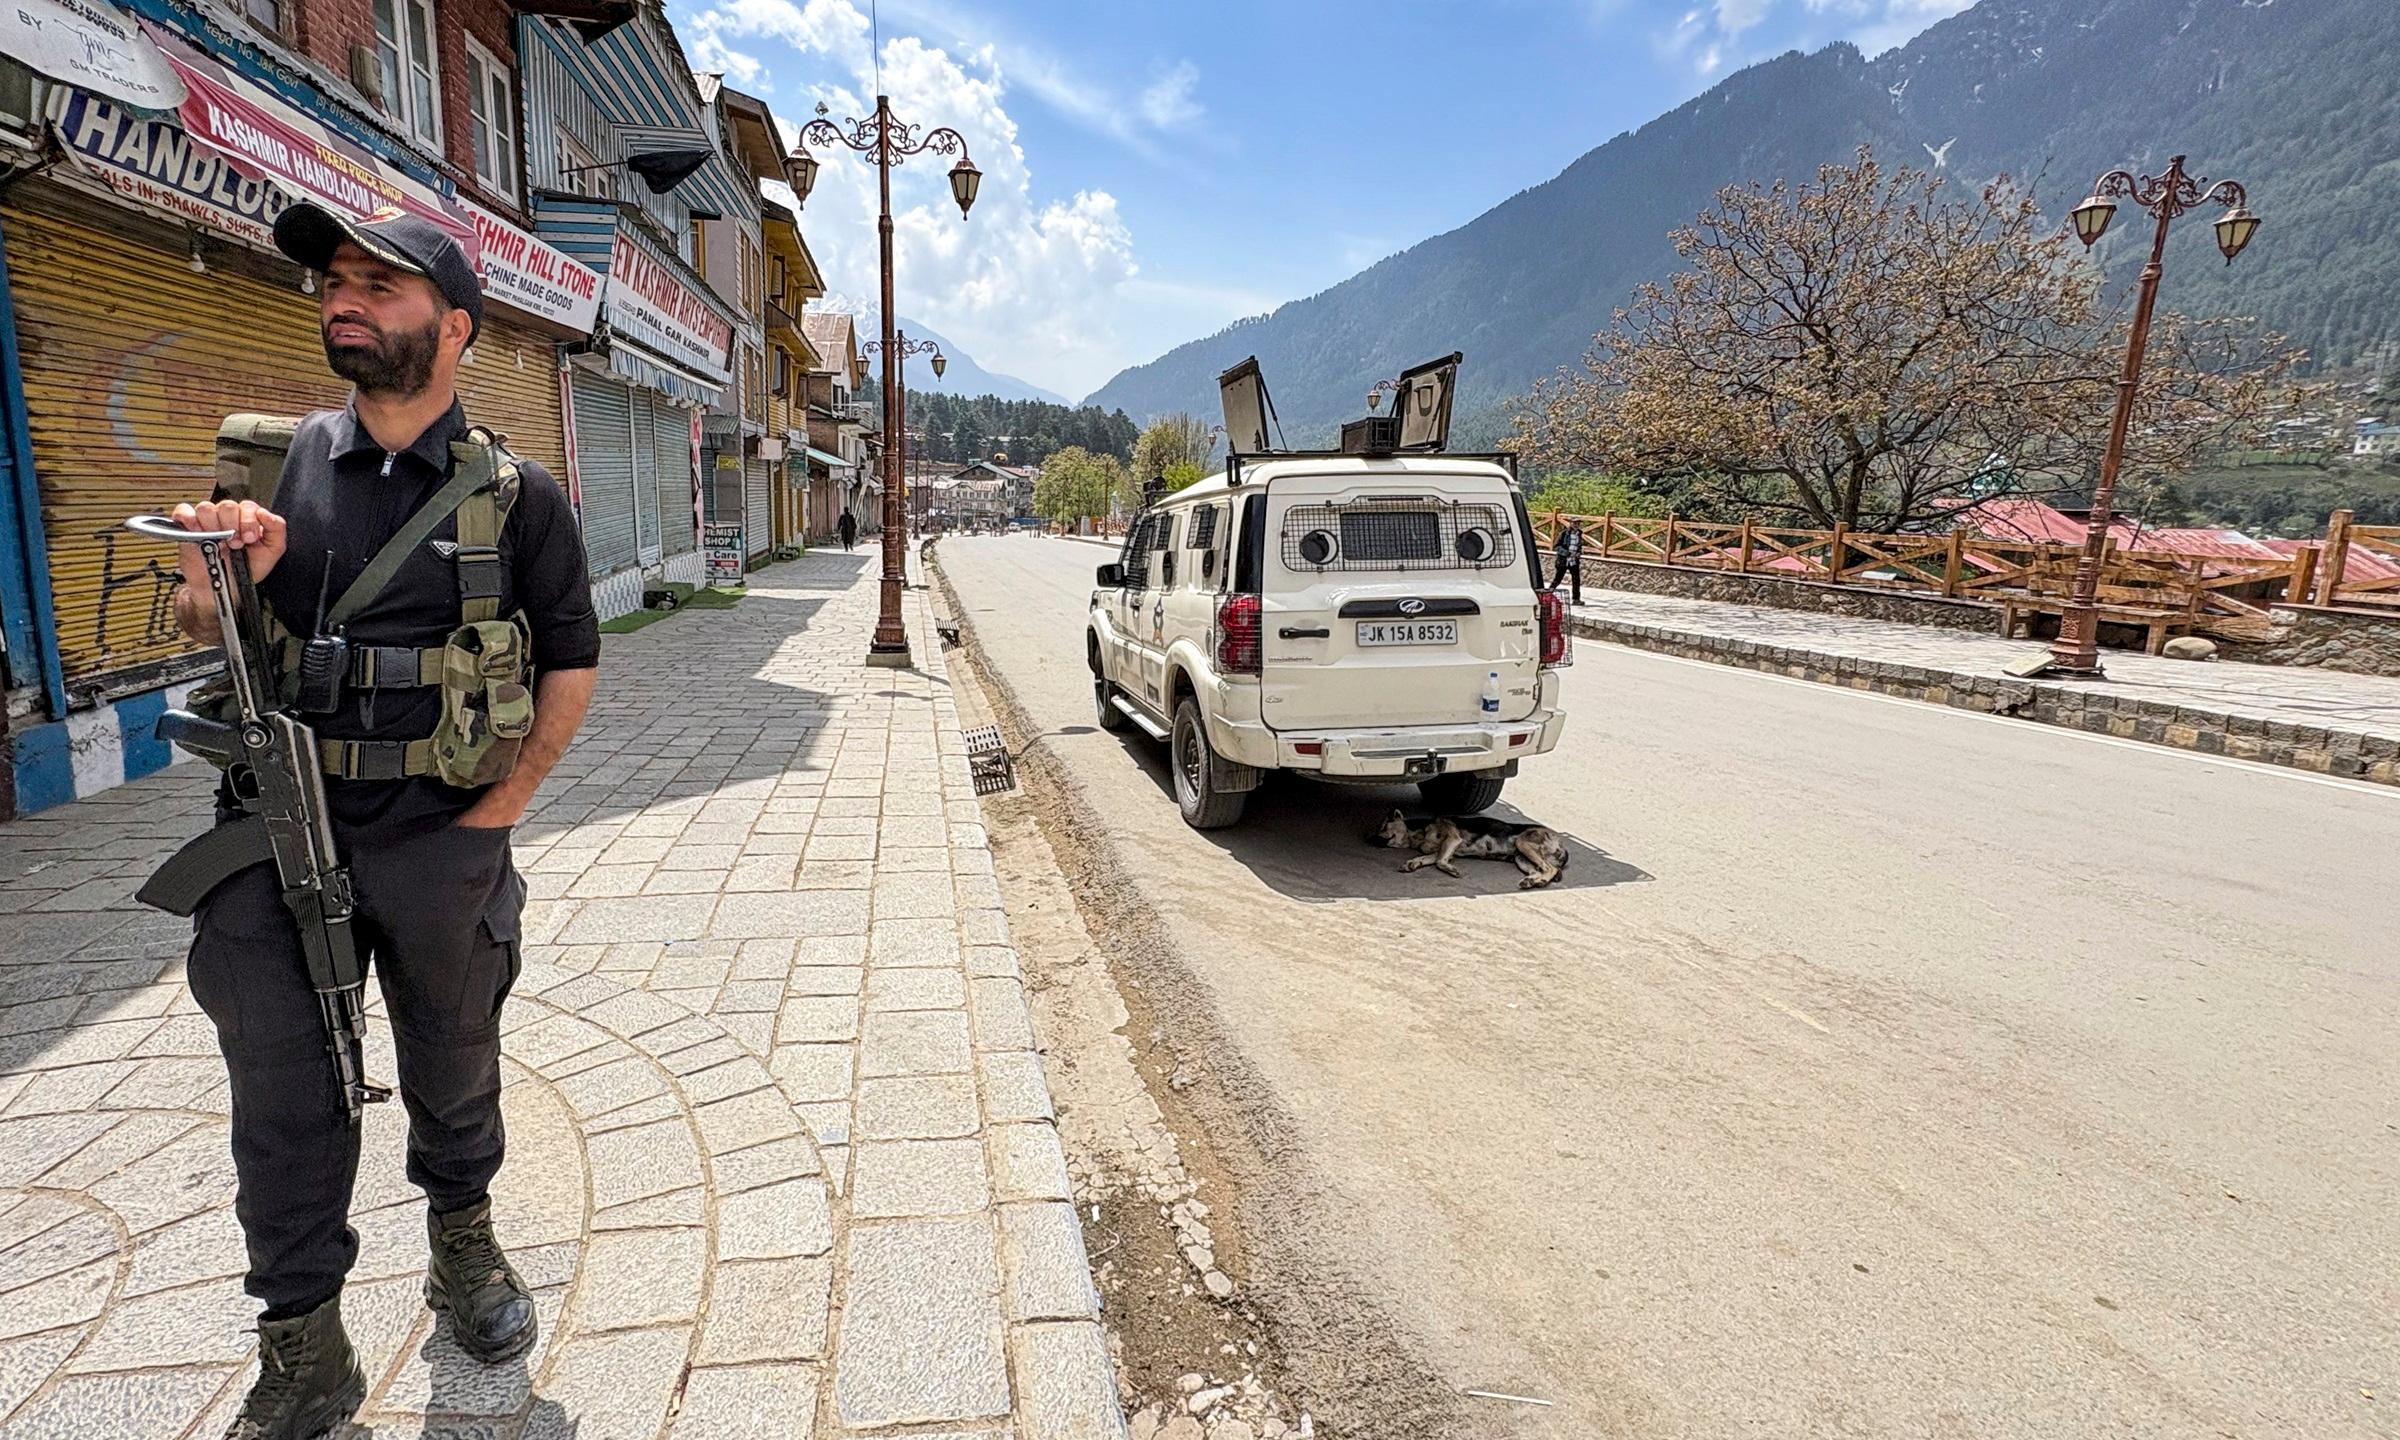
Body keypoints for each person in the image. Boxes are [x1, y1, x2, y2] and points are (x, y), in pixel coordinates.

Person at [168, 202, 600, 1440]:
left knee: (453, 1065)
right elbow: (206, 630)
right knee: (282, 1096)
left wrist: (498, 816)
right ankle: (301, 1341)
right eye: (335, 282)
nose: (343, 298)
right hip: (272, 832)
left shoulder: (521, 501)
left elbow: (569, 663)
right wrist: (218, 570)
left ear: (455, 327)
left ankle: (463, 1245)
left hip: (440, 840)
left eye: (381, 285)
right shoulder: (269, 464)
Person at [1551, 517, 1586, 605]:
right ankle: (1547, 595)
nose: (1576, 525)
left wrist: (1579, 552)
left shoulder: (1579, 534)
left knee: (1576, 580)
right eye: (1574, 523)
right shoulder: (1564, 534)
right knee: (1558, 579)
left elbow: (1578, 546)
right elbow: (1556, 546)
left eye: (1578, 523)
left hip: (1574, 561)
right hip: (1563, 560)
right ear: (1570, 523)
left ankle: (1576, 599)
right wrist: (1567, 553)